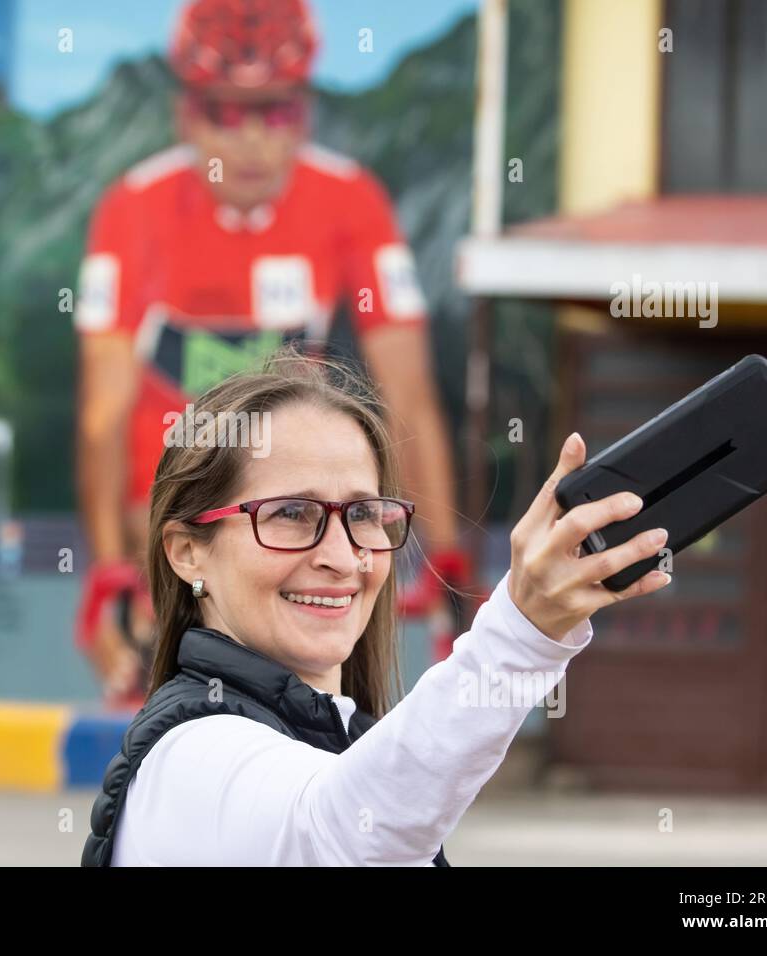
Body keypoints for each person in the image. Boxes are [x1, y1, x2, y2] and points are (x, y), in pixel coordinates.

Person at [82, 349, 671, 866]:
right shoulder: (191, 759)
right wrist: (522, 633)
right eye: (290, 513)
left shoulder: (341, 739)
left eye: (363, 515)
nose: (343, 557)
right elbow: (345, 835)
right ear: (188, 552)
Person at [73, 0, 470, 707]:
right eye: (225, 114)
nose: (252, 140)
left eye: (276, 112)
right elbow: (104, 416)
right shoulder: (132, 208)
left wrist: (443, 566)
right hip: (174, 514)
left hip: (292, 504)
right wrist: (107, 571)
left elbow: (408, 396)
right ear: (185, 116)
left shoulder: (350, 200)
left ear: (305, 113)